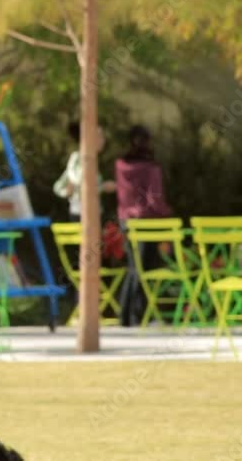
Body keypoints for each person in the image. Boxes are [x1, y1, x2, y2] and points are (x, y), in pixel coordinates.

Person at [114, 124, 172, 327]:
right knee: (145, 269)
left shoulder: (120, 165)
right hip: (148, 223)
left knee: (133, 267)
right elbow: (155, 199)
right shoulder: (151, 168)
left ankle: (126, 315)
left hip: (126, 221)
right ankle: (139, 314)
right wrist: (167, 213)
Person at [53, 121, 116, 222]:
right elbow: (79, 183)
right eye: (99, 136)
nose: (103, 140)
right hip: (82, 214)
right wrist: (103, 187)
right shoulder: (78, 158)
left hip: (94, 213)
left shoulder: (91, 159)